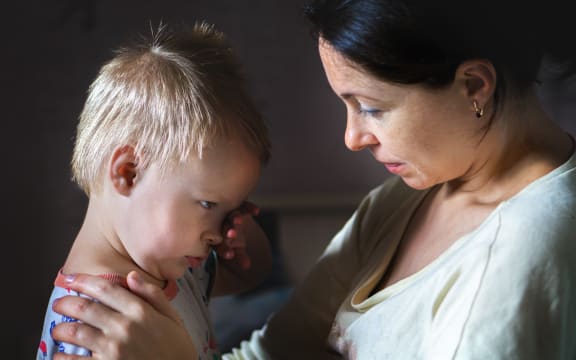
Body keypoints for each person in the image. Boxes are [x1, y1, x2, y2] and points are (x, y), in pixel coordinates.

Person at [48, 0, 576, 359]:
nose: (352, 136)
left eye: (371, 107)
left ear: (473, 85)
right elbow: (272, 352)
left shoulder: (526, 253)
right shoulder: (406, 199)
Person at [36, 21, 272, 360]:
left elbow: (253, 271)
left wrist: (238, 234)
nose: (218, 233)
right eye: (209, 203)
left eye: (232, 211)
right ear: (129, 172)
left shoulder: (170, 264)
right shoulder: (92, 327)